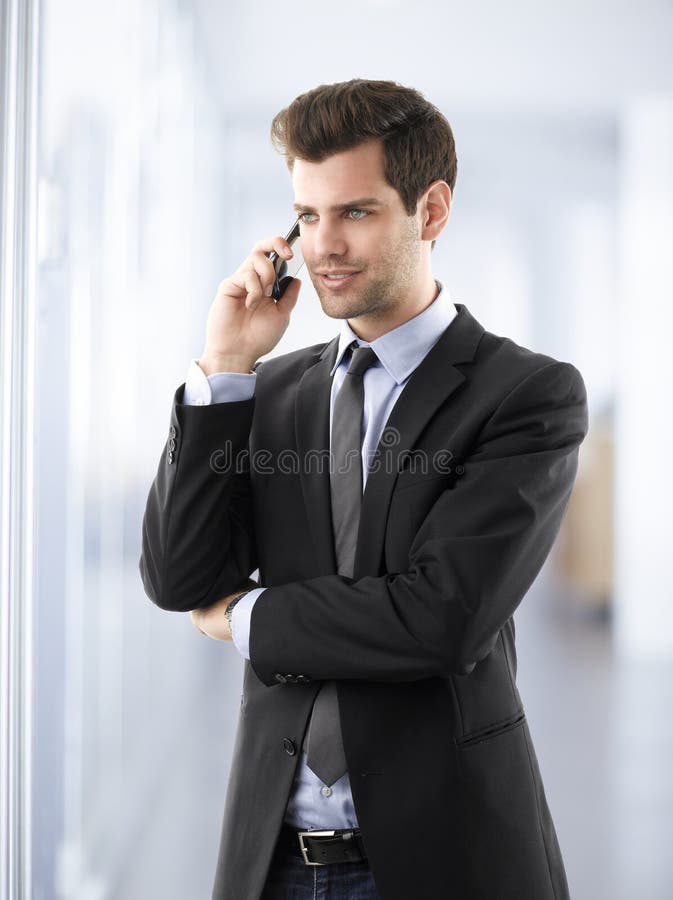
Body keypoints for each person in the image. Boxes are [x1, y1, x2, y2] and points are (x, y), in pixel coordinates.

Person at [139, 79, 588, 900]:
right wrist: (225, 369)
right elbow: (178, 578)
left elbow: (440, 618)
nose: (324, 246)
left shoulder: (524, 395)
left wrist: (245, 617)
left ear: (431, 210)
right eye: (307, 216)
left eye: (355, 212)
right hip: (272, 856)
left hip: (445, 852)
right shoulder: (270, 393)